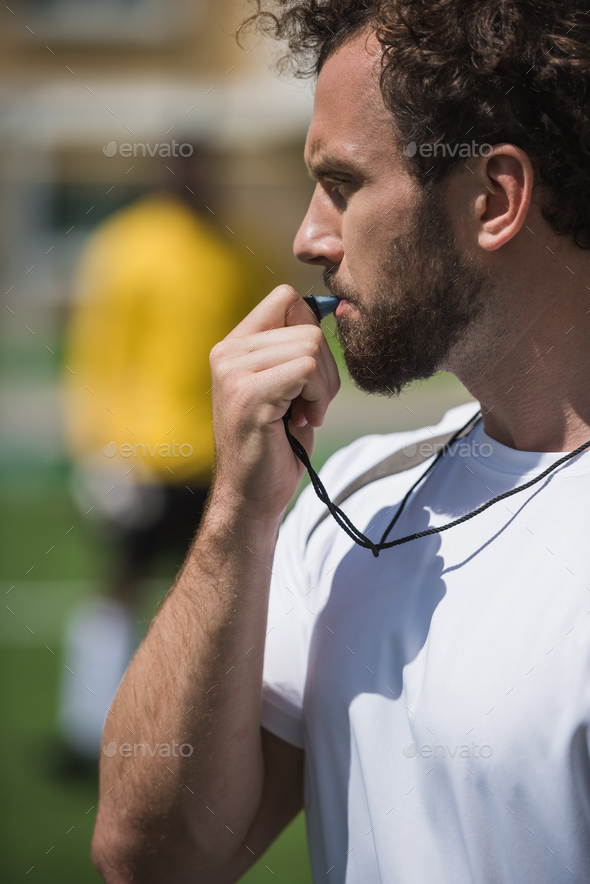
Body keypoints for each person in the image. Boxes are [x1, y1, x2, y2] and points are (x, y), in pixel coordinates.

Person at [92, 2, 590, 882]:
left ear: (494, 198)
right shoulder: (356, 493)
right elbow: (149, 858)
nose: (308, 237)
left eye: (344, 184)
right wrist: (238, 517)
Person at [58, 149, 263, 767]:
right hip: (142, 458)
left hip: (218, 457)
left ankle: (189, 735)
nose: (195, 182)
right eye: (184, 171)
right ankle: (86, 729)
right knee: (121, 585)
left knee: (209, 598)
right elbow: (99, 351)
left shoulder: (237, 248)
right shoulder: (127, 246)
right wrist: (97, 448)